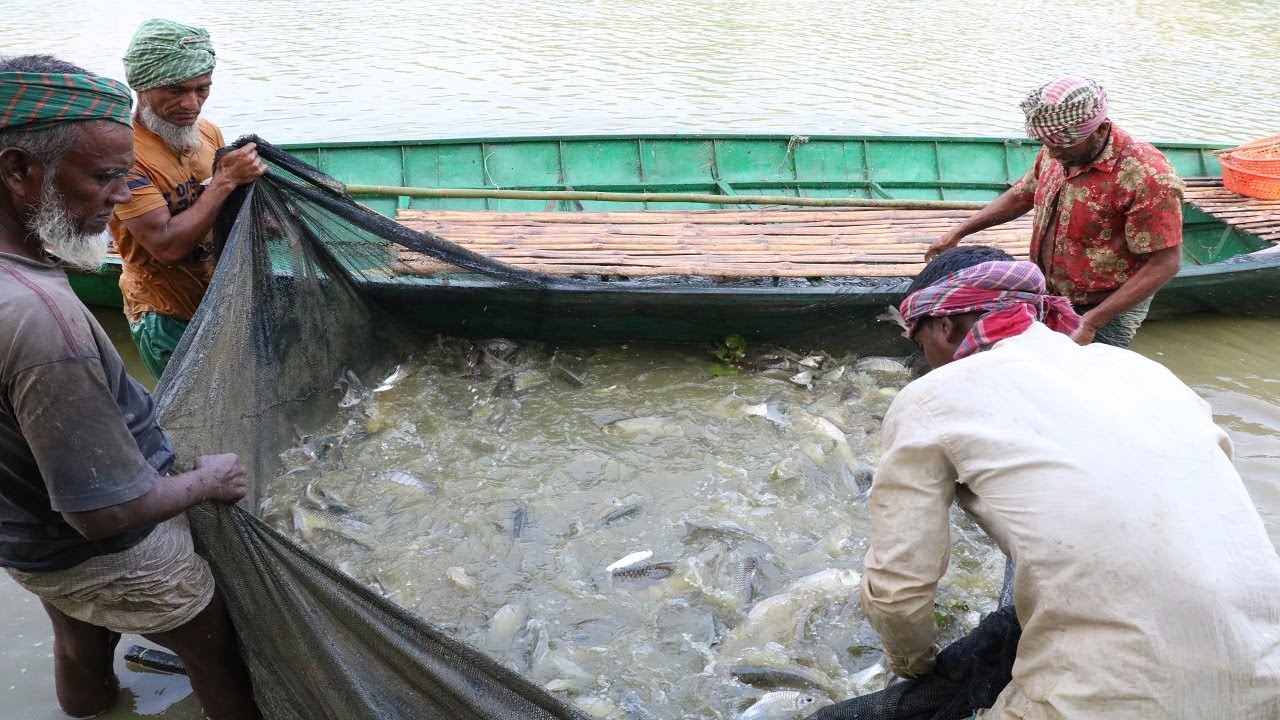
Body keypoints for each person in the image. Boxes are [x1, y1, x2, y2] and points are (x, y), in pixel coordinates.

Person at [859, 245, 1280, 719]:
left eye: (921, 346)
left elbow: (898, 592)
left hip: (1101, 702)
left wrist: (916, 671)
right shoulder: (1147, 371)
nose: (928, 362)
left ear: (944, 325)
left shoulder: (929, 399)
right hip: (1268, 677)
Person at [0, 56, 260, 719]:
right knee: (218, 652)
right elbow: (103, 511)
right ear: (17, 170)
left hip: (29, 541)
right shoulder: (40, 319)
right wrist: (208, 480)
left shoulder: (19, 278)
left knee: (77, 641)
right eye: (106, 176)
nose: (121, 197)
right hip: (112, 551)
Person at [926, 77, 1184, 348]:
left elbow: (1166, 263)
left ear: (1100, 130)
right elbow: (1022, 195)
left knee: (1087, 377)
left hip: (1108, 304)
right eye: (1047, 143)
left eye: (1061, 145)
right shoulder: (1058, 149)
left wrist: (1093, 321)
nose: (1051, 151)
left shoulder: (1148, 176)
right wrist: (958, 231)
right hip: (1049, 290)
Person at [110, 18, 266, 380]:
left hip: (216, 298)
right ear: (143, 87)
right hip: (165, 317)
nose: (192, 104)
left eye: (202, 89)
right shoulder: (122, 154)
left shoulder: (207, 132)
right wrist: (225, 180)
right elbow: (166, 246)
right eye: (176, 91)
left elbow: (224, 208)